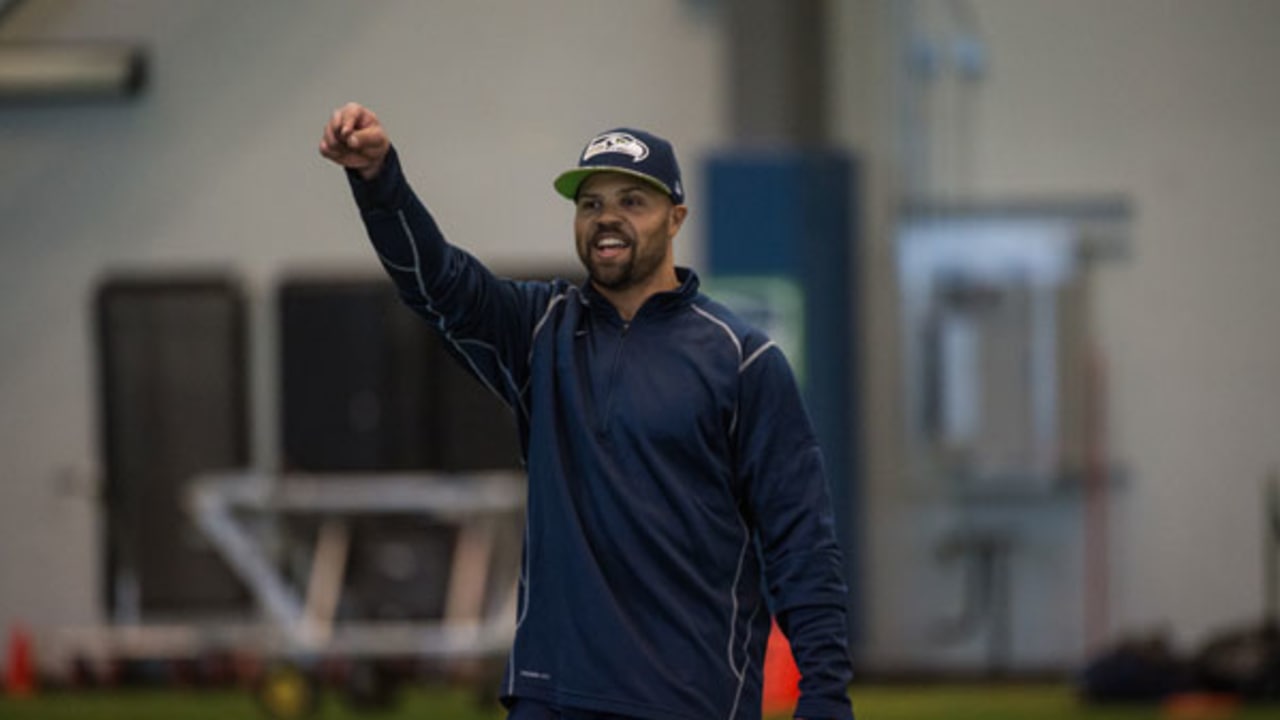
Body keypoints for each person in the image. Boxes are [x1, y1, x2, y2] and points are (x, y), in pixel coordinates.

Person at [319, 103, 856, 720]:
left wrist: (824, 695)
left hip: (689, 700)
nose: (607, 218)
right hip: (551, 694)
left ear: (676, 217)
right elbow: (434, 280)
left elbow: (800, 541)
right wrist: (378, 179)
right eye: (590, 203)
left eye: (633, 201)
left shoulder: (742, 359)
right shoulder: (538, 330)